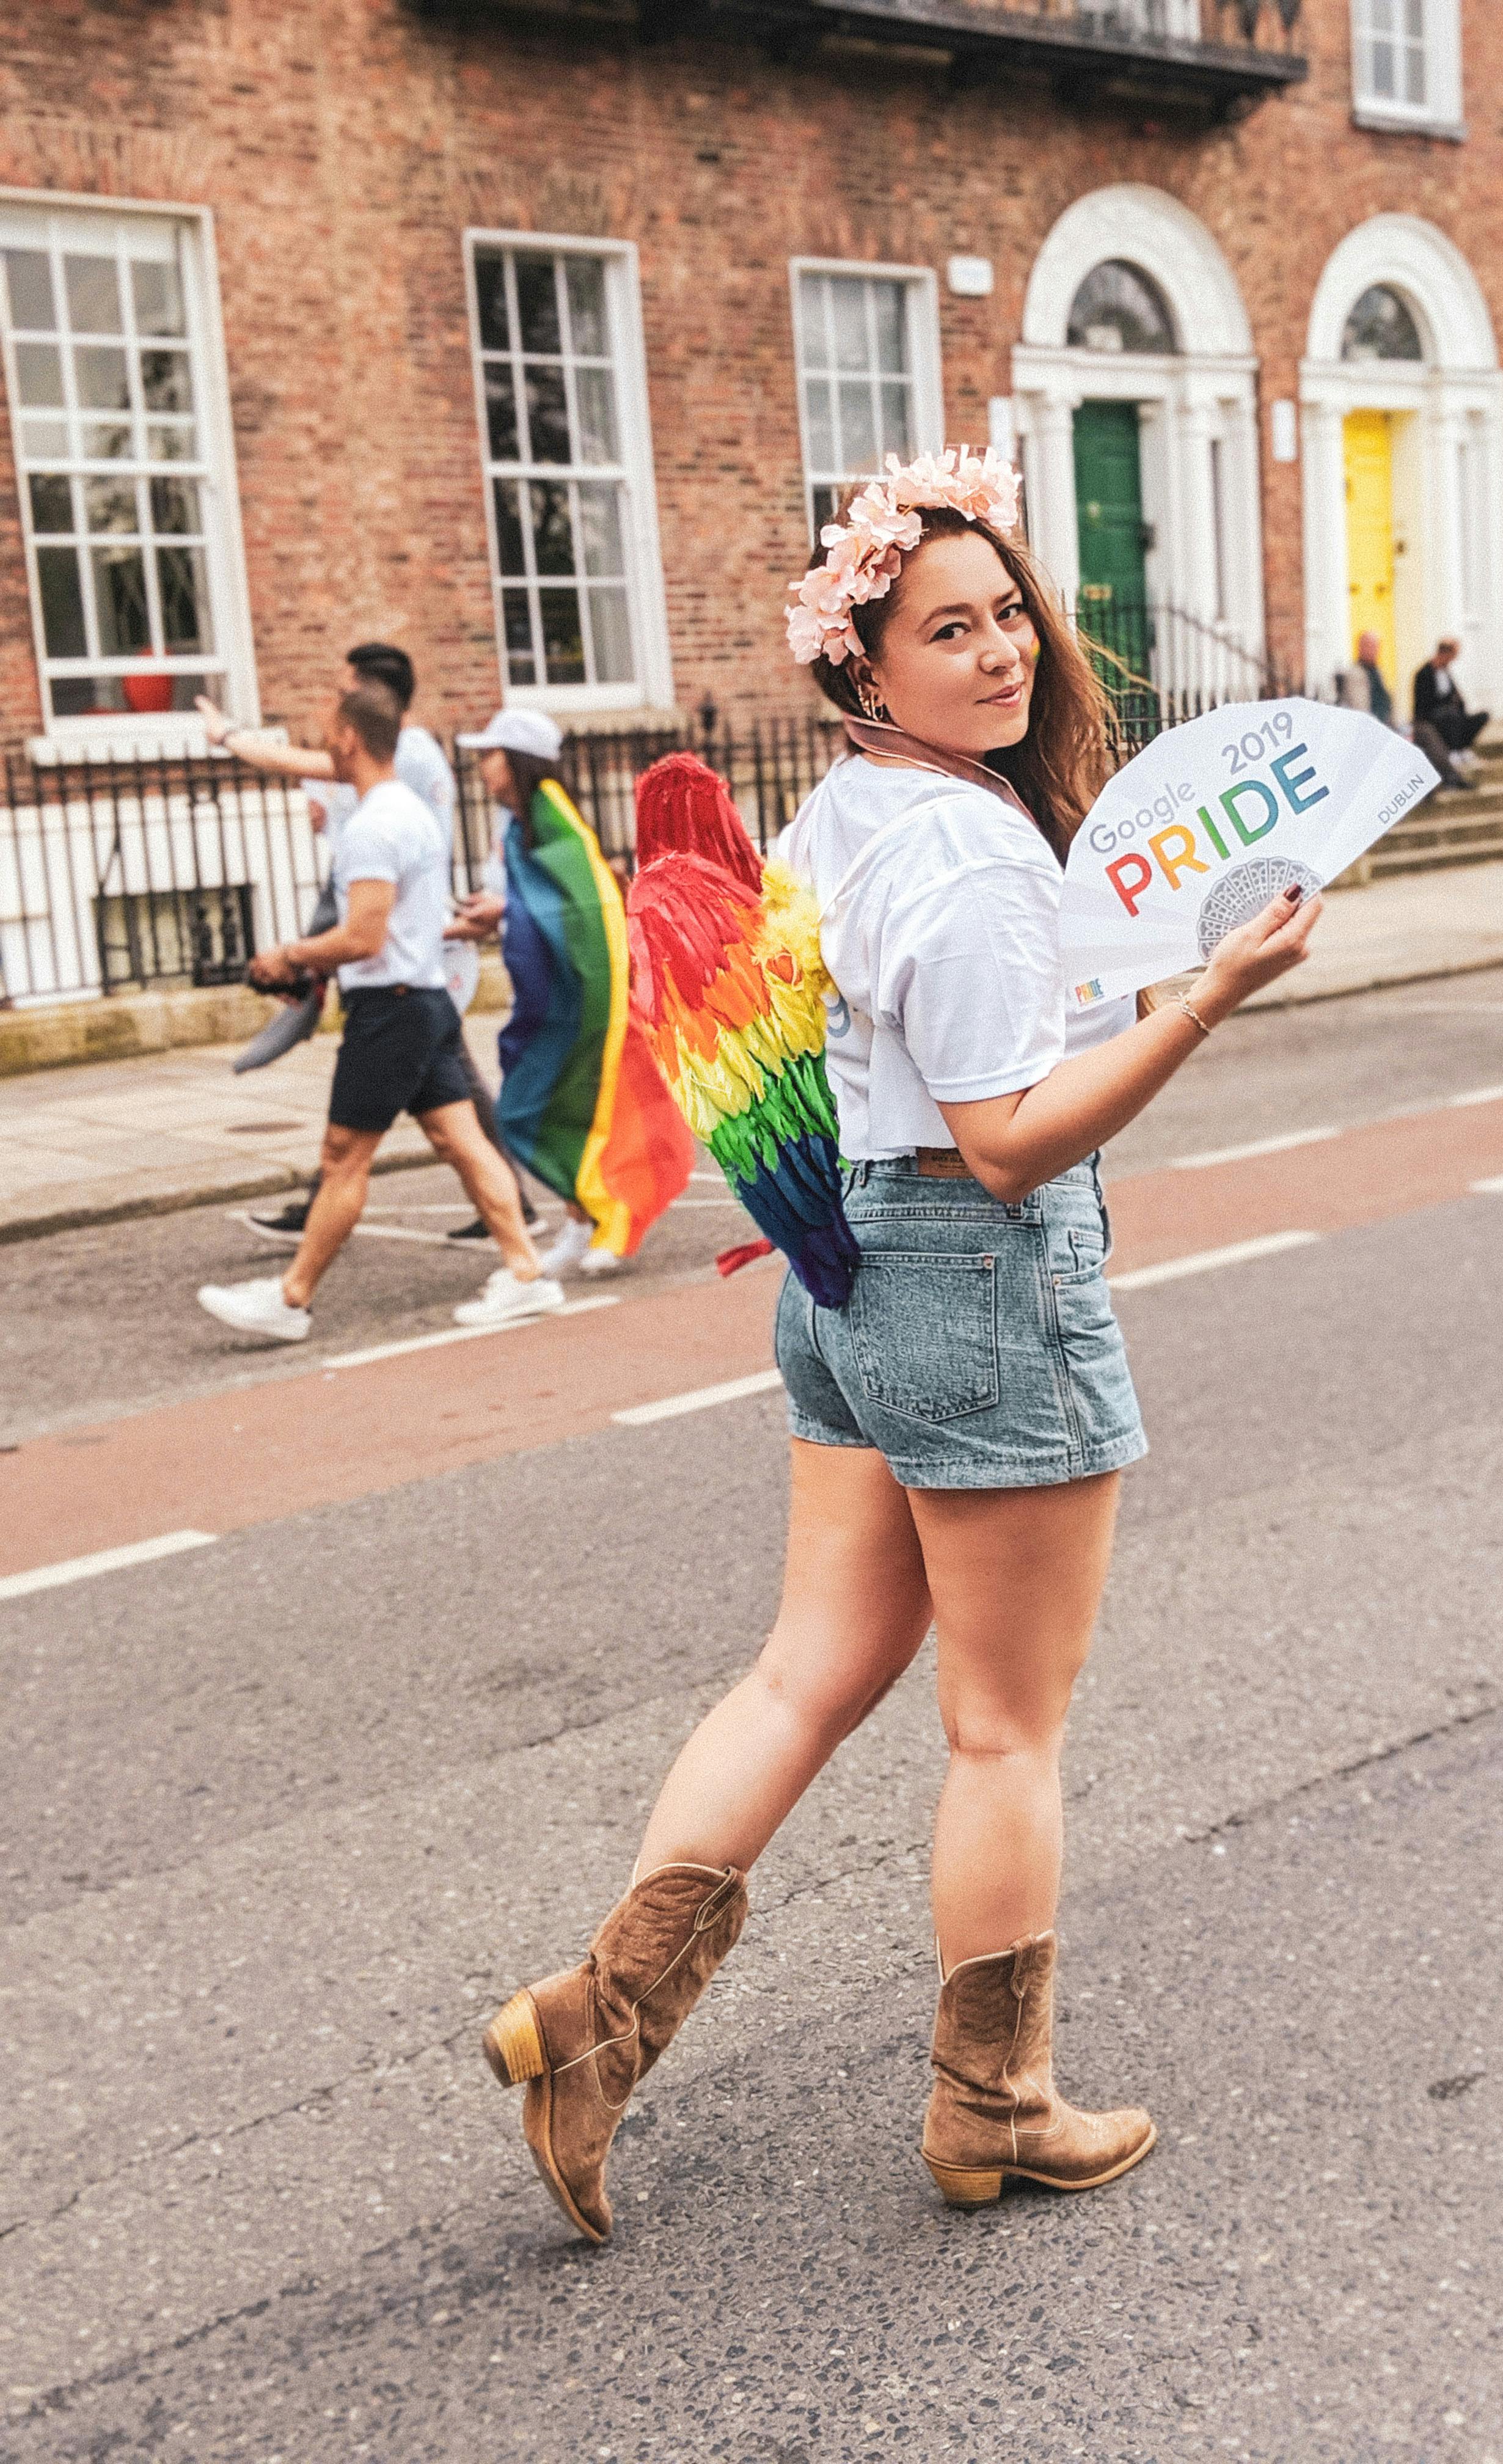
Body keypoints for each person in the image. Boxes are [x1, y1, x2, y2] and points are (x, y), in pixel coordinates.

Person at [476, 446, 1321, 2245]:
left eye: (1011, 610)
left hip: (846, 1278)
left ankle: (595, 2023)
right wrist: (1212, 996)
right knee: (1004, 1730)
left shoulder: (849, 811)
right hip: (977, 1277)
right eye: (950, 629)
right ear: (863, 666)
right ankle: (992, 2108)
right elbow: (1010, 1132)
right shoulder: (971, 852)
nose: (1003, 650)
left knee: (802, 1677)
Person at [196, 679, 563, 1344]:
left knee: (343, 1156)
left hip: (390, 1008)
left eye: (327, 732)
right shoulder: (409, 810)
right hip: (422, 999)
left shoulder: (372, 826)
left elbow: (362, 936)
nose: (322, 743)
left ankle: (291, 1297)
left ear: (348, 739)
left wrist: (291, 955)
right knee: (462, 1141)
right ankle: (525, 1273)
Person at [447, 708, 692, 1276]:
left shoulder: (552, 815)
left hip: (585, 998)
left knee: (565, 1110)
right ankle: (585, 1219)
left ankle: (610, 1218)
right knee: (545, 1111)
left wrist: (505, 912)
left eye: (491, 755)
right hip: (548, 998)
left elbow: (588, 900)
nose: (483, 767)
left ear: (519, 760)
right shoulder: (517, 822)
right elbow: (539, 903)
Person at [1336, 631, 1471, 789]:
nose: (1375, 652)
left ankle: (1446, 778)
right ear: (1360, 648)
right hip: (1374, 730)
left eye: (1376, 648)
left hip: (1391, 726)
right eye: (1370, 647)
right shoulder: (1355, 674)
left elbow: (1387, 704)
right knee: (1425, 732)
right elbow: (1362, 711)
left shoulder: (1377, 672)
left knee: (1425, 732)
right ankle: (1446, 779)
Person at [1413, 637, 1488, 760]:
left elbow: (1456, 697)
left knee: (1482, 717)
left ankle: (1462, 748)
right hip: (1432, 717)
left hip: (1452, 714)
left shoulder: (1446, 672)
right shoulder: (1424, 674)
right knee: (1450, 715)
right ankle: (1453, 750)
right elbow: (1424, 703)